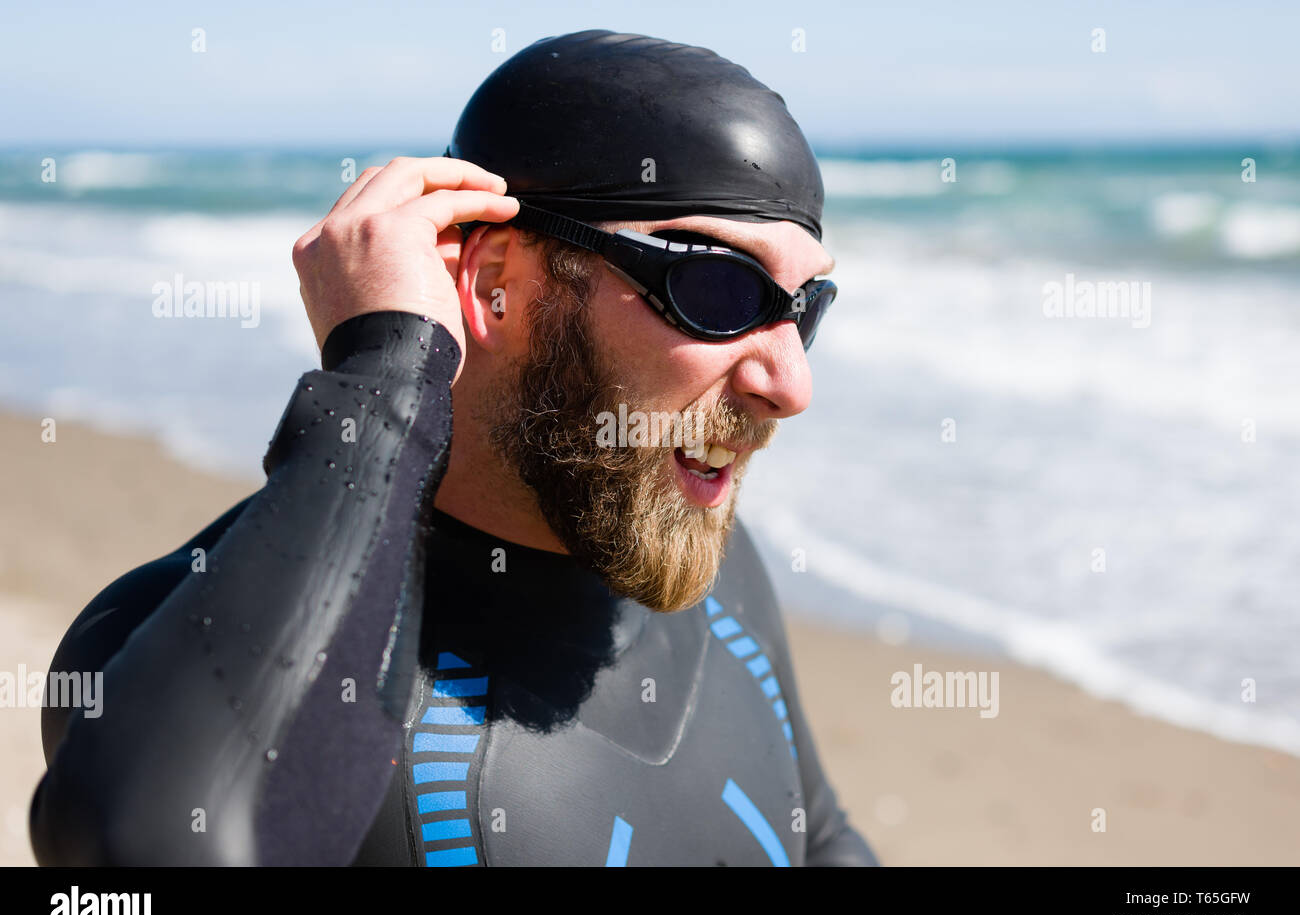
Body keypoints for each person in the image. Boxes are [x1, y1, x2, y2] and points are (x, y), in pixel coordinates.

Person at [30, 29, 877, 866]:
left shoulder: (713, 565)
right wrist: (390, 363)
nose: (791, 386)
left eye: (806, 307)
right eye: (721, 288)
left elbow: (824, 837)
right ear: (494, 283)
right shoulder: (162, 630)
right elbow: (138, 849)